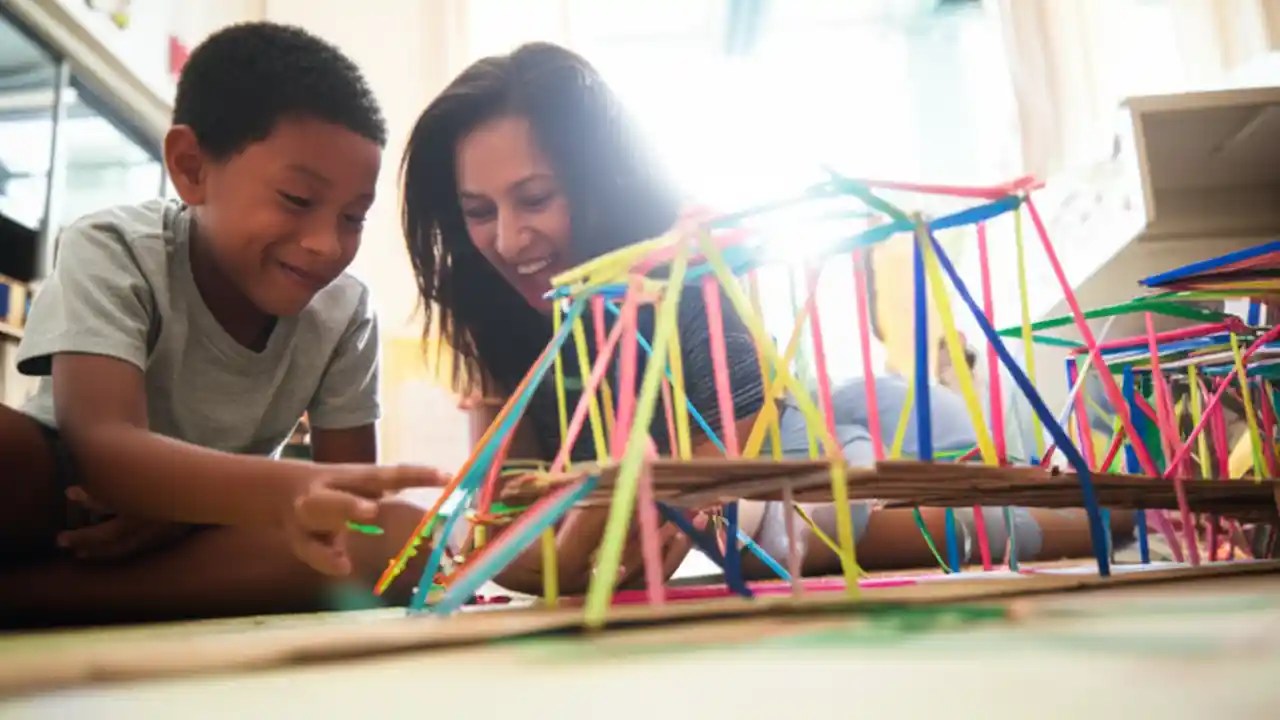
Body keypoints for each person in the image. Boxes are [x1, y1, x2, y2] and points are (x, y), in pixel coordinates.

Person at [401, 43, 1125, 594]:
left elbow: (737, 514)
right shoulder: (495, 311)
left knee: (1068, 519)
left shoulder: (692, 278)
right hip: (804, 465)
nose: (507, 239)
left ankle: (1110, 467)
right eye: (478, 211)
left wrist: (555, 546)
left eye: (534, 198)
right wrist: (525, 550)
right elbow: (503, 533)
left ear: (597, 185)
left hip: (837, 450)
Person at [0, 22, 444, 627]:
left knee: (402, 541)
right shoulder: (115, 247)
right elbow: (105, 451)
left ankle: (32, 599)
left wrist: (195, 510)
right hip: (66, 499)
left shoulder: (344, 312)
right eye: (296, 199)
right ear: (191, 168)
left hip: (209, 529)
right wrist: (279, 493)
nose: (326, 244)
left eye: (353, 216)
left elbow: (354, 506)